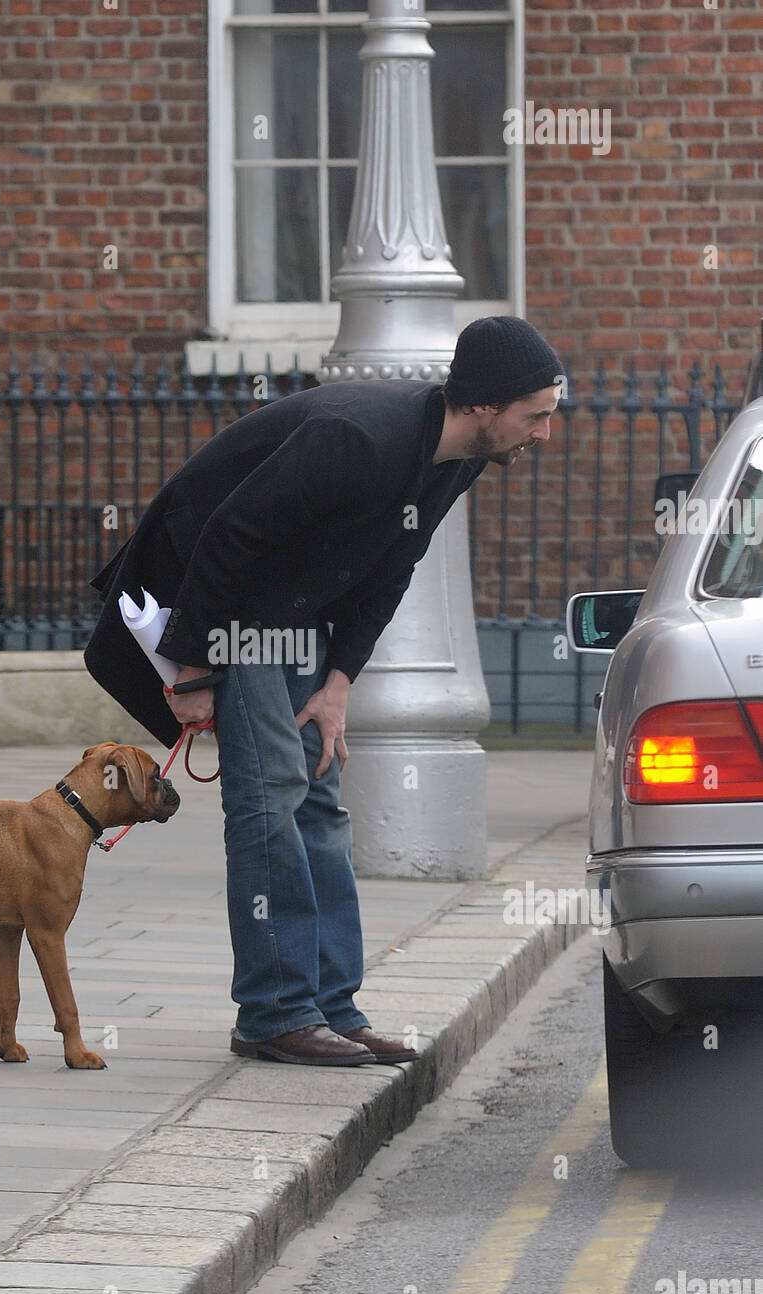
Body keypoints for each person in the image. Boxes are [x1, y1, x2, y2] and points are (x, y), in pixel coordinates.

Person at [84, 316, 564, 1065]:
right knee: (270, 799)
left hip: (295, 616)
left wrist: (339, 681)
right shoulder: (355, 438)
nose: (543, 433)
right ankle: (274, 1015)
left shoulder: (454, 458)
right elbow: (226, 536)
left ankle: (333, 1009)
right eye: (535, 414)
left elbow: (389, 568)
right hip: (226, 613)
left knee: (317, 797)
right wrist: (196, 669)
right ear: (483, 405)